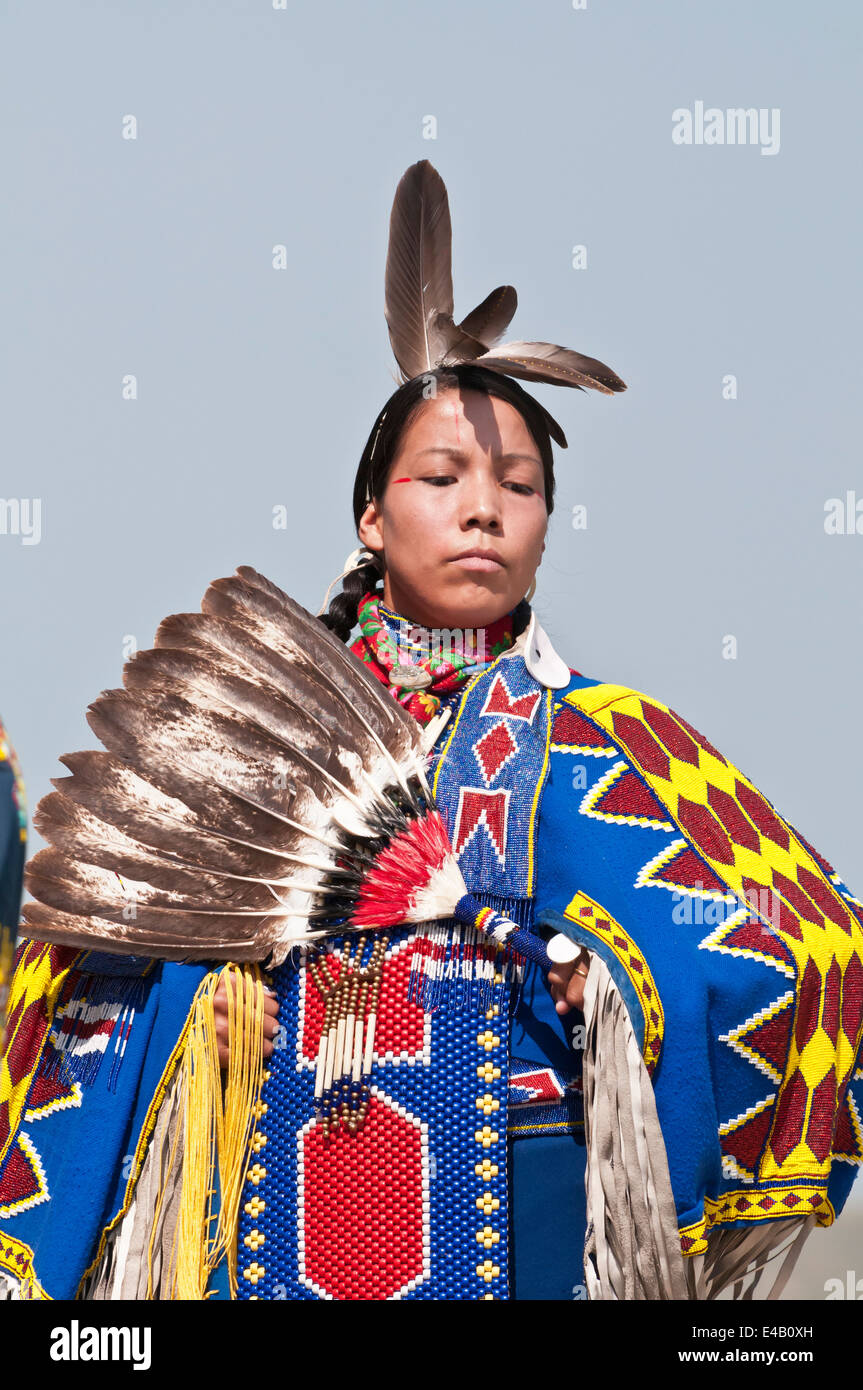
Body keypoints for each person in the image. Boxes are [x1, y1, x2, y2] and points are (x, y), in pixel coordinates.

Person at [1, 165, 861, 1301]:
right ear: (371, 513)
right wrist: (196, 1010)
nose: (482, 508)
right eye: (441, 476)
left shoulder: (619, 748)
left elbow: (807, 945)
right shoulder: (244, 750)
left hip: (525, 1222)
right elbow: (74, 977)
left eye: (519, 486)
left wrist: (611, 988)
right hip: (251, 1217)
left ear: (546, 529)